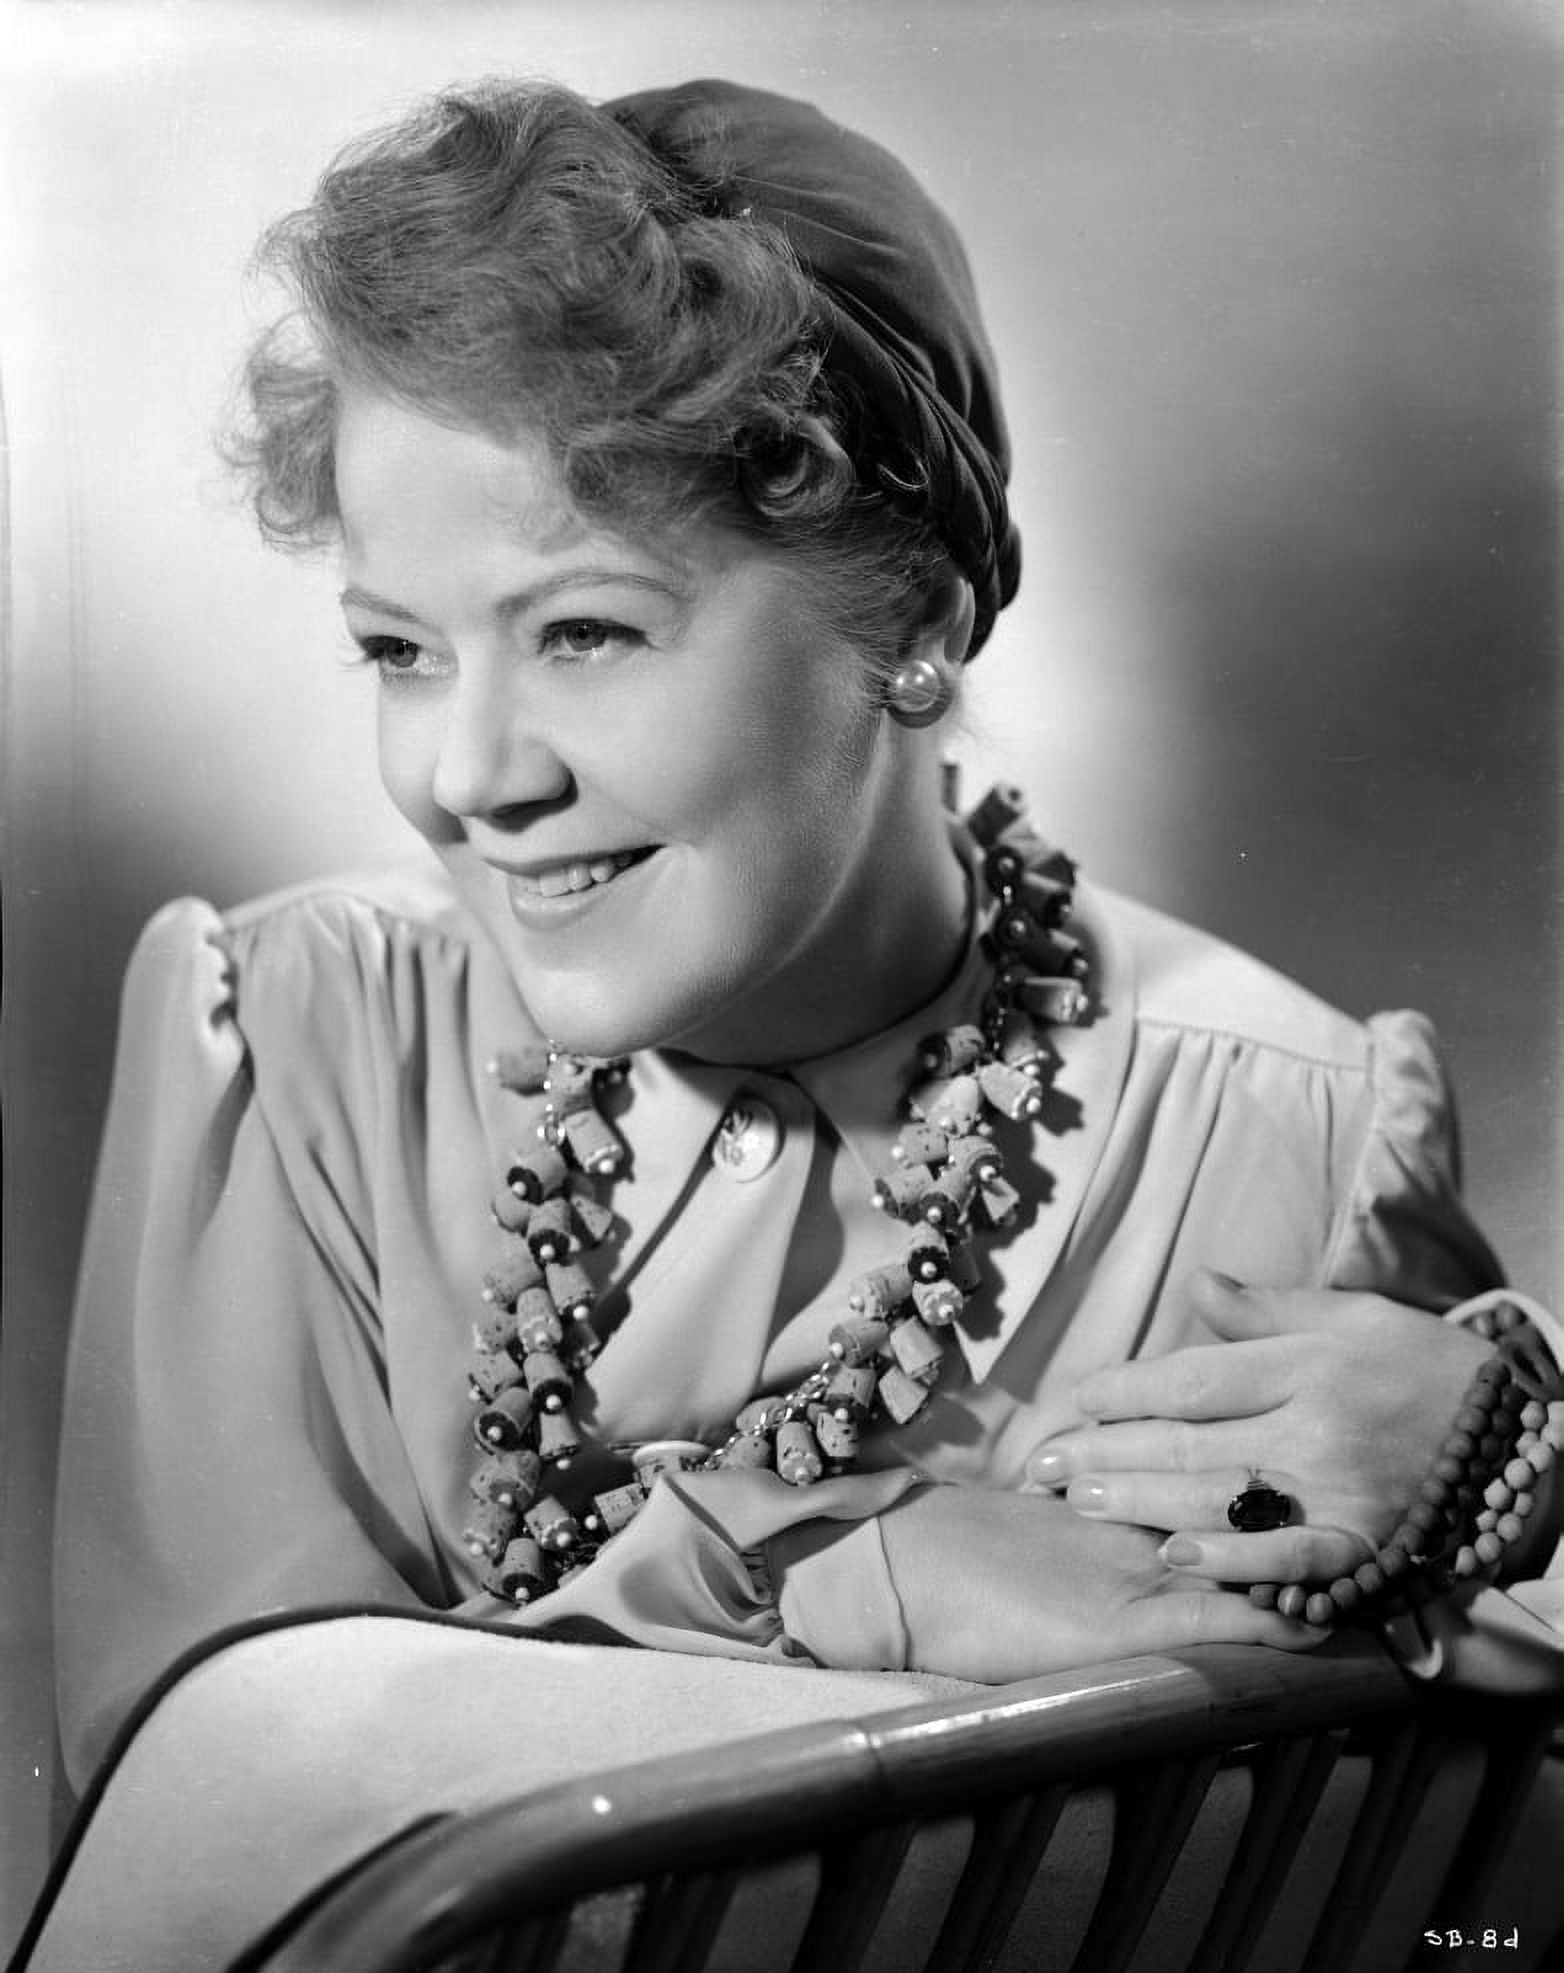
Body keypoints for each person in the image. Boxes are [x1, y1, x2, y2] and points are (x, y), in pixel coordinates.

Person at [52, 75, 1563, 1798]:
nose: (469, 775)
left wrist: (1523, 1468)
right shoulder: (295, 1051)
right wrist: (856, 1566)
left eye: (588, 635)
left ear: (910, 612)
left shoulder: (1287, 1139)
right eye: (400, 650)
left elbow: (1416, 1883)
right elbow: (224, 1841)